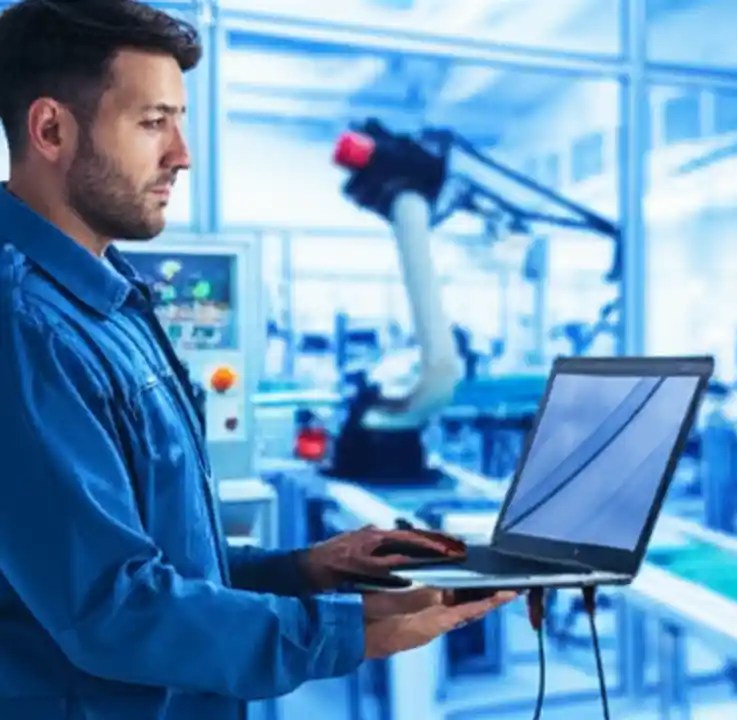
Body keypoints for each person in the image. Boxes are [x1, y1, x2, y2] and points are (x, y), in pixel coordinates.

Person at [0, 2, 515, 718]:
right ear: (51, 130)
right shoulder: (25, 326)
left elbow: (161, 563)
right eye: (153, 123)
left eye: (181, 122)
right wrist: (349, 630)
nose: (182, 154)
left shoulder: (107, 304)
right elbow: (111, 608)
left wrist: (307, 568)